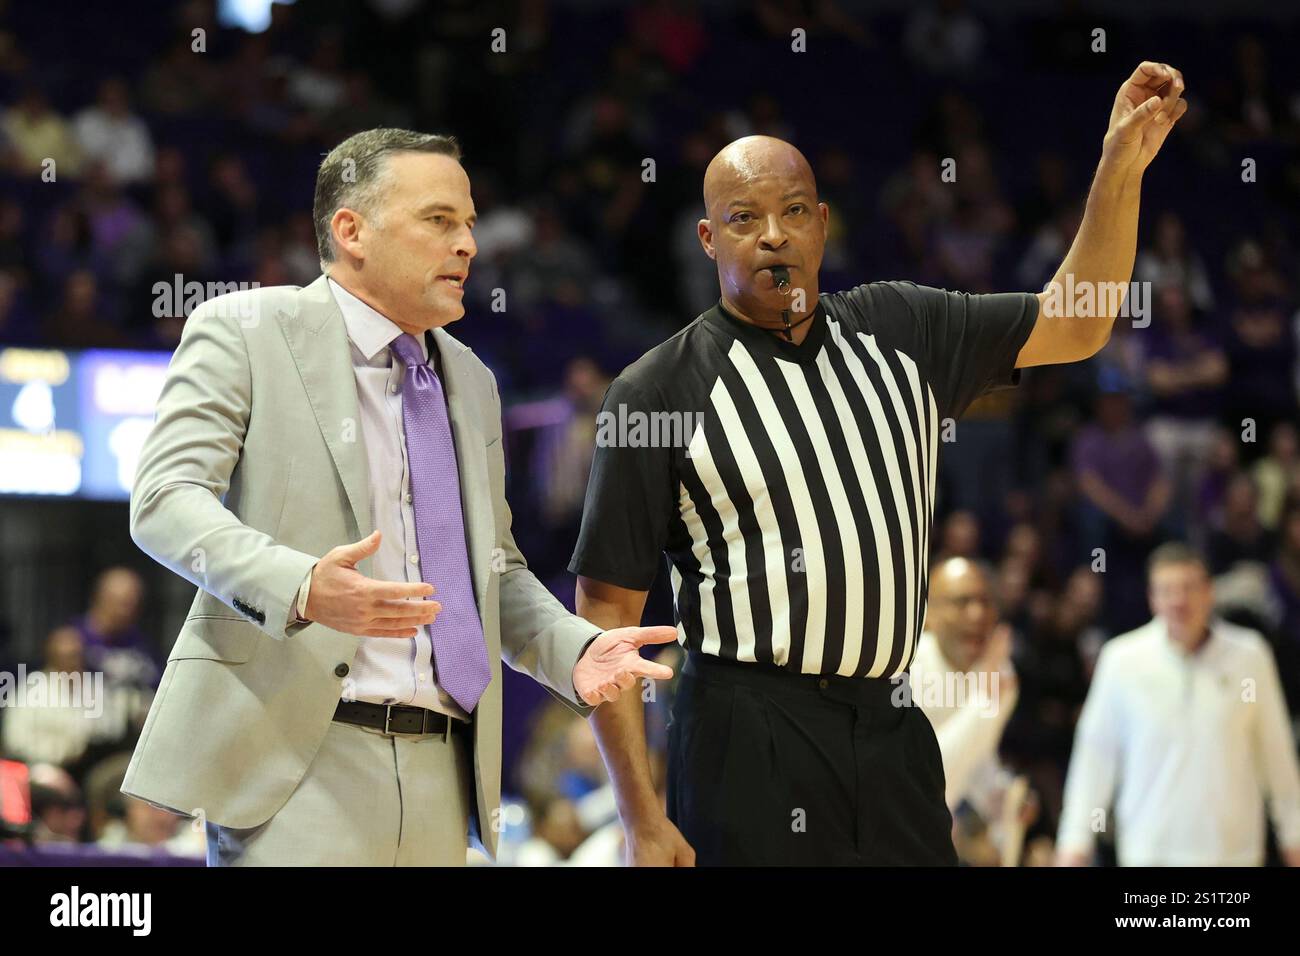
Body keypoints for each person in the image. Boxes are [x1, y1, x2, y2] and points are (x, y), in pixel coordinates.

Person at [570, 62, 1189, 865]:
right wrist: (639, 816)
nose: (772, 235)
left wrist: (1119, 170)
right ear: (708, 237)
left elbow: (1077, 323)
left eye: (794, 212)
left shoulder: (900, 327)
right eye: (744, 217)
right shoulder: (654, 392)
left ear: (824, 225)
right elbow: (605, 618)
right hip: (744, 732)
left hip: (893, 722)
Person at [122, 128, 674, 866]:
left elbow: (495, 572)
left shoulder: (473, 379)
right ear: (350, 231)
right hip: (297, 763)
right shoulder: (244, 330)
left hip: (447, 773)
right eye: (439, 220)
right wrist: (301, 587)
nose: (468, 245)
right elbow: (164, 498)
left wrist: (573, 650)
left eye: (471, 223)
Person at [1056, 543, 1300, 866]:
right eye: (1167, 590)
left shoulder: (1250, 657)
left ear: (1209, 592)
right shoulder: (1121, 660)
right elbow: (1095, 757)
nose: (1179, 601)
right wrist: (1074, 841)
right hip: (1149, 853)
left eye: (1189, 588)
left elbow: (1276, 754)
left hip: (1232, 855)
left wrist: (1294, 837)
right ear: (1152, 598)